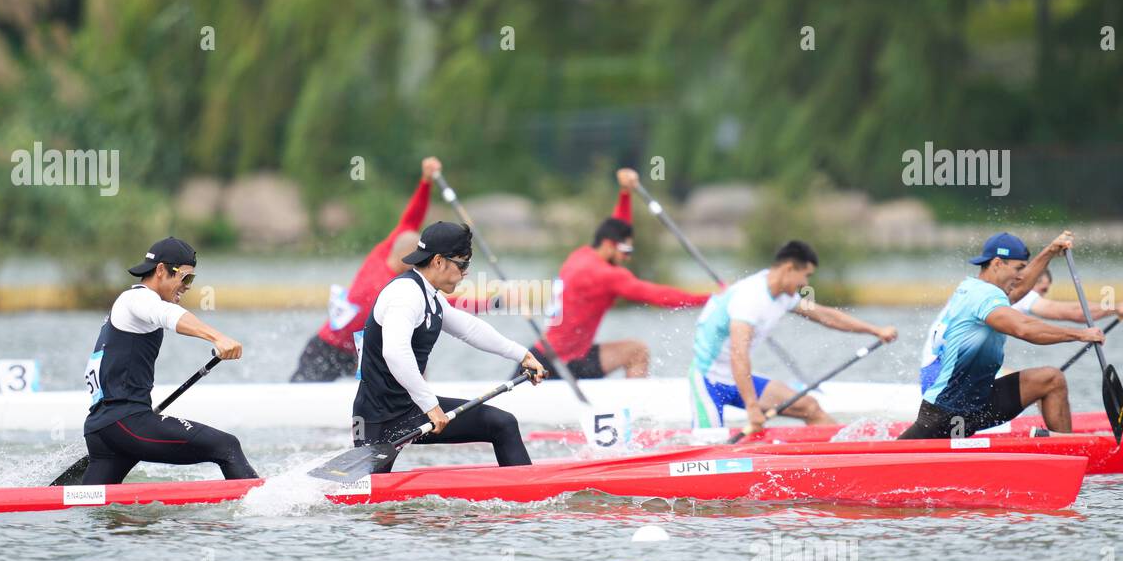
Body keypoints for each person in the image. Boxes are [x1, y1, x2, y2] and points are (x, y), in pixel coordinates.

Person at [353, 222, 547, 472]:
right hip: (377, 417)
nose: (466, 272)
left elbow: (470, 329)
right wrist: (431, 405)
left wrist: (523, 354)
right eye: (462, 263)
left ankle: (526, 498)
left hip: (411, 408)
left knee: (502, 423)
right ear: (437, 261)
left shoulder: (430, 296)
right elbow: (394, 352)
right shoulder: (404, 296)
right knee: (374, 507)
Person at [81, 237, 258, 483]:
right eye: (185, 278)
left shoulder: (129, 310)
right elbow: (167, 315)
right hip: (126, 423)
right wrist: (217, 337)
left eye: (192, 279)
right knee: (227, 446)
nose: (188, 286)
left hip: (104, 429)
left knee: (99, 512)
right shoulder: (136, 299)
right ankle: (264, 508)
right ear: (162, 270)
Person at [899, 231, 1105, 440]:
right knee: (898, 462)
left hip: (981, 402)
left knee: (1051, 379)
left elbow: (1019, 289)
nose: (1020, 276)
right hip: (946, 411)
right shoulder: (982, 295)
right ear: (997, 263)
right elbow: (1023, 328)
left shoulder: (979, 289)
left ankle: (1068, 452)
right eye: (1018, 269)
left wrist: (1049, 252)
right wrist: (1080, 334)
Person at [689, 240, 897, 430]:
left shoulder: (786, 295)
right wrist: (752, 406)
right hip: (708, 381)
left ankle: (848, 457)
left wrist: (875, 330)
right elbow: (738, 353)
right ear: (789, 269)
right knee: (707, 445)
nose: (806, 284)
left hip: (738, 378)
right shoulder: (750, 298)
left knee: (810, 407)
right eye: (806, 275)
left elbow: (824, 314)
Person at [529, 168, 709, 379]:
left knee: (635, 351)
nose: (628, 257)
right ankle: (631, 409)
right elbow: (658, 296)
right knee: (637, 352)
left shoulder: (581, 255)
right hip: (560, 366)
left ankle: (627, 405)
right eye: (626, 251)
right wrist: (710, 298)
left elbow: (618, 227)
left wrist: (625, 193)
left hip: (546, 354)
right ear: (608, 245)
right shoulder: (607, 275)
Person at [290, 158, 437, 381]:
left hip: (360, 353)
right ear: (406, 256)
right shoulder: (394, 285)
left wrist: (426, 182)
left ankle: (424, 405)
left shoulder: (386, 251)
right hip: (327, 348)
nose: (421, 265)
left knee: (411, 357)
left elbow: (411, 220)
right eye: (418, 260)